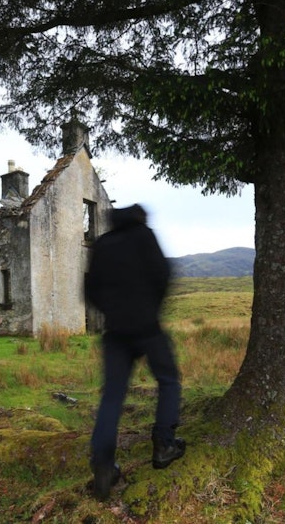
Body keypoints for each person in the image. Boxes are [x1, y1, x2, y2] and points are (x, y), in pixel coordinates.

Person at [84, 204, 186, 501]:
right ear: (140, 217)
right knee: (168, 380)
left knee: (112, 397)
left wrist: (112, 312)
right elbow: (164, 274)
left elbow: (90, 289)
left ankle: (103, 465)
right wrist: (150, 309)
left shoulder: (103, 244)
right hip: (148, 328)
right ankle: (164, 445)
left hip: (115, 332)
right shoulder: (144, 236)